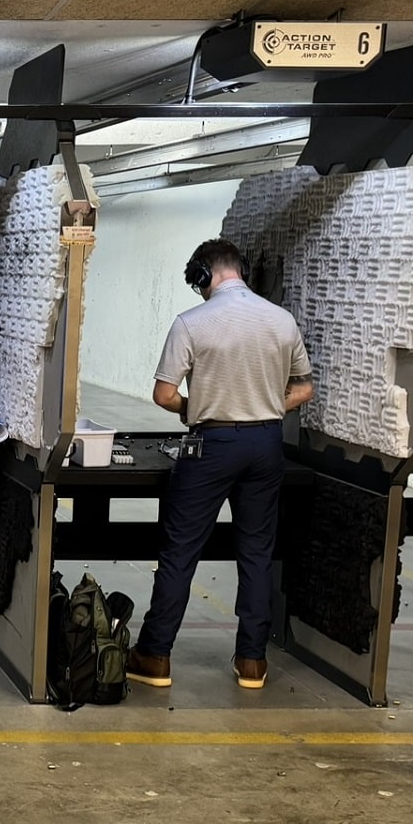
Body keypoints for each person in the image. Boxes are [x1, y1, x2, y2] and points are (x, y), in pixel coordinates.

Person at [129, 238, 315, 693]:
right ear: (242, 270)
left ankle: (155, 654)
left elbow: (164, 395)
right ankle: (252, 660)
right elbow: (303, 388)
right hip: (266, 443)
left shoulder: (192, 323)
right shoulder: (282, 320)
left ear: (202, 275)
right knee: (255, 552)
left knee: (181, 552)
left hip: (212, 444)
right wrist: (268, 405)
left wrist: (195, 407)